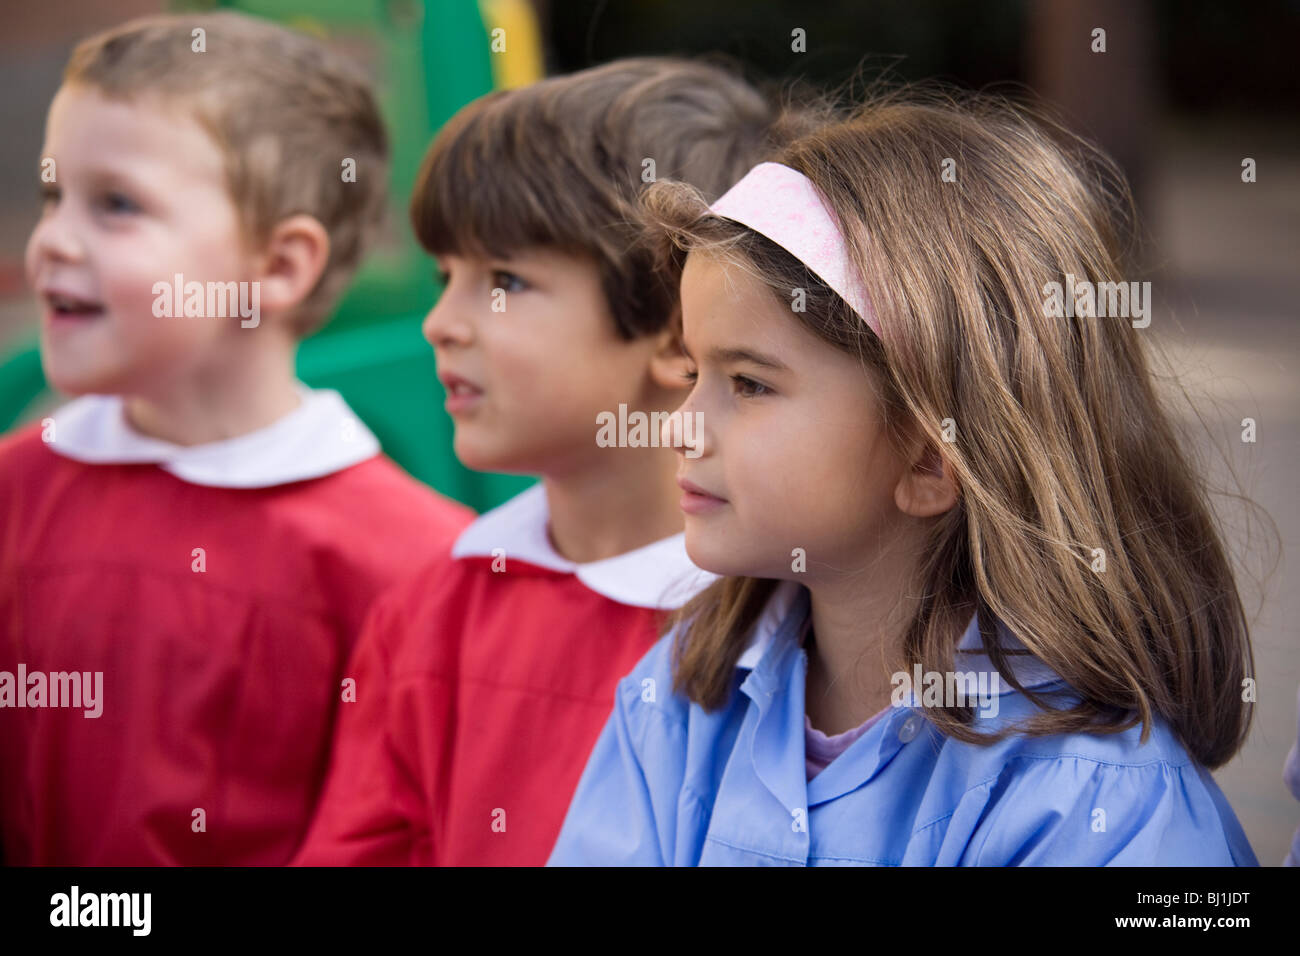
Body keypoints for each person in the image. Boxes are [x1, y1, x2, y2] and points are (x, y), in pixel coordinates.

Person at [549, 88, 1259, 866]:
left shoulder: (1102, 804)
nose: (680, 425)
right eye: (692, 370)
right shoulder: (683, 699)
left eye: (749, 383)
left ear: (930, 457)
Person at [293, 58, 810, 865]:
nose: (440, 323)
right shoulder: (434, 612)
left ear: (680, 333)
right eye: (444, 275)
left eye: (503, 281)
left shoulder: (787, 625)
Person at [0, 12, 472, 865]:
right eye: (51, 195)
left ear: (279, 266)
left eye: (116, 205)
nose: (52, 242)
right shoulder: (14, 492)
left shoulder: (415, 563)